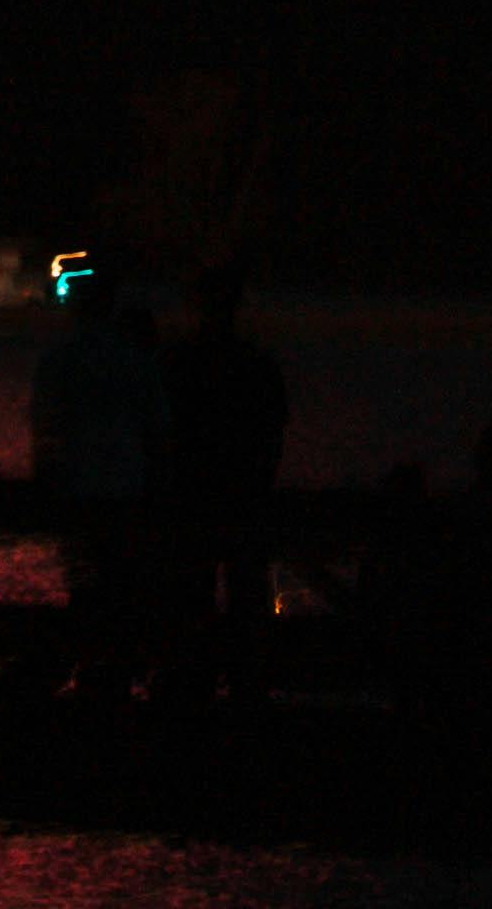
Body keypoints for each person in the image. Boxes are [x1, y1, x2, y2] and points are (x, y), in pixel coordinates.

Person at [29, 255, 168, 692]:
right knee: (120, 593)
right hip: (125, 493)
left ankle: (83, 676)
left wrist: (47, 482)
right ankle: (110, 684)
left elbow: (44, 428)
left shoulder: (58, 361)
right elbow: (158, 430)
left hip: (75, 491)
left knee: (84, 588)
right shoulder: (135, 363)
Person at [160, 262, 288, 704]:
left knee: (190, 603)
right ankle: (244, 692)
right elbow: (273, 434)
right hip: (243, 502)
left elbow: (164, 432)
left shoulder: (180, 362)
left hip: (192, 503)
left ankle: (189, 691)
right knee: (245, 608)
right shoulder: (257, 366)